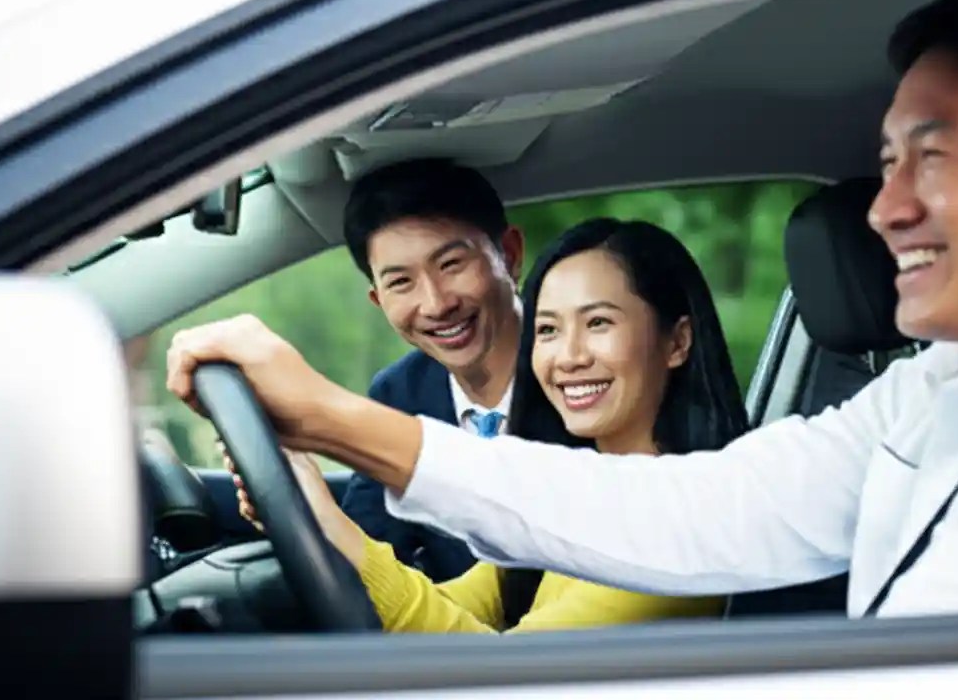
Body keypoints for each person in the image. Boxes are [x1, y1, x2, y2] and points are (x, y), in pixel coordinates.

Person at [168, 0, 958, 618]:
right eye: (884, 164)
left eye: (934, 160)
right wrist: (345, 425)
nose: (883, 210)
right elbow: (702, 507)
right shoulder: (940, 392)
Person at [226, 218, 741, 632]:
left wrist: (322, 513)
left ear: (677, 343)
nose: (569, 357)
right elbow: (455, 607)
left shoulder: (670, 531)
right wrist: (303, 509)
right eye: (548, 330)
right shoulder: (574, 496)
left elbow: (493, 673)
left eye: (599, 323)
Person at [336, 158, 525, 582]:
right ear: (378, 300)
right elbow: (368, 556)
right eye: (401, 283)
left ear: (509, 256)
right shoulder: (398, 395)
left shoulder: (583, 368)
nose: (437, 304)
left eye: (451, 264)